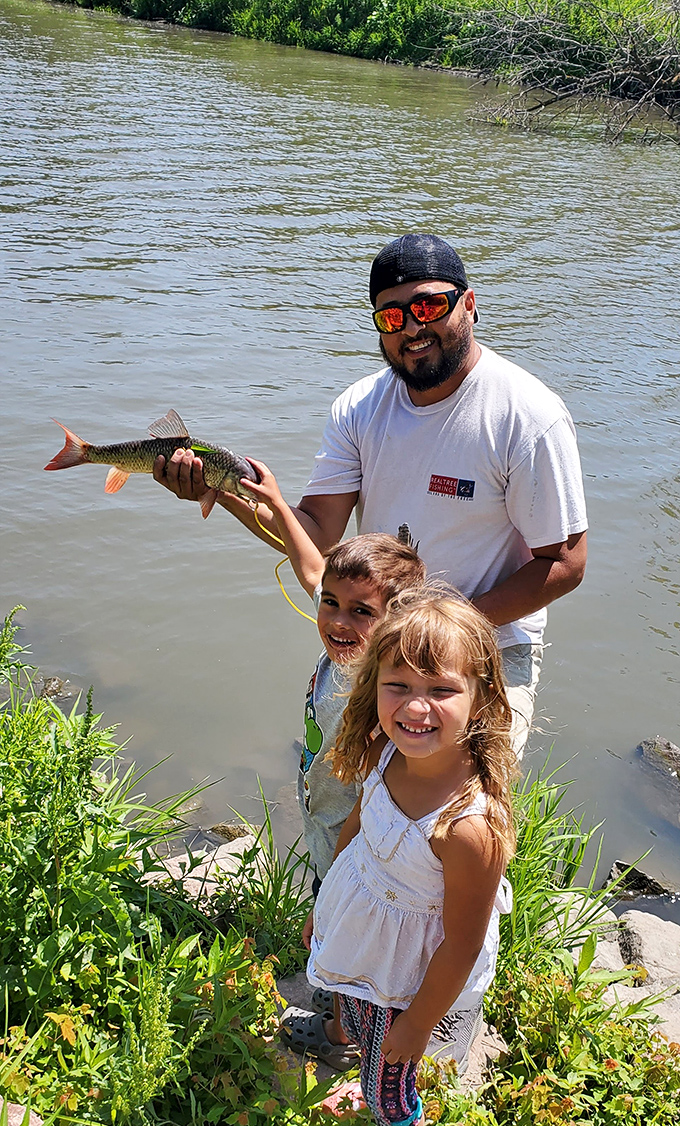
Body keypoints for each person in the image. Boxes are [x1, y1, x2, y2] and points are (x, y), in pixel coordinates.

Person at [153, 233, 588, 757]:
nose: (413, 327)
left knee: (456, 821)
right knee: (334, 794)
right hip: (370, 636)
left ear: (468, 304)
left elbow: (565, 562)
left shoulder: (527, 416)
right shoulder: (358, 408)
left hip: (484, 644)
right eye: (392, 317)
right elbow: (314, 536)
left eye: (429, 306)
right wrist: (221, 491)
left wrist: (437, 631)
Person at [305, 588, 517, 1126]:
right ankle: (368, 1078)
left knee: (397, 1089)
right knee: (362, 1022)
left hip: (411, 976)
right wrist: (329, 907)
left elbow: (463, 942)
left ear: (481, 699)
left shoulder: (468, 827)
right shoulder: (383, 749)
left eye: (442, 690)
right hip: (365, 929)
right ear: (374, 685)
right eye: (399, 685)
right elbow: (357, 828)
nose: (416, 706)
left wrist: (418, 1024)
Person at [243, 459, 426, 1069]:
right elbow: (313, 568)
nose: (337, 621)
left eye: (360, 612)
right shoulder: (355, 652)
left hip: (355, 848)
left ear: (397, 623)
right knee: (336, 929)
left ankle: (347, 1034)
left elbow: (376, 801)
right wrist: (271, 503)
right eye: (331, 605)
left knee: (345, 934)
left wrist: (336, 891)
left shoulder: (376, 691)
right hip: (327, 828)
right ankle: (348, 1007)